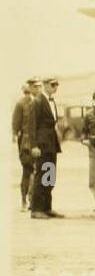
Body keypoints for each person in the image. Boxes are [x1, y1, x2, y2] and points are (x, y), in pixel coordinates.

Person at [25, 77, 64, 219]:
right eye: (53, 85)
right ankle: (36, 209)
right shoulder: (37, 101)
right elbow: (31, 126)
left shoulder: (51, 101)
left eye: (57, 85)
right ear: (45, 85)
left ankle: (47, 207)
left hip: (51, 143)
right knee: (41, 175)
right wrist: (34, 146)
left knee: (50, 175)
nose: (55, 87)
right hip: (42, 144)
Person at [13, 79, 37, 209]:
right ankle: (25, 200)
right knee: (28, 171)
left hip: (39, 142)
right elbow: (16, 128)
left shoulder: (42, 102)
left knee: (42, 171)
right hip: (26, 143)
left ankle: (35, 200)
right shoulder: (21, 104)